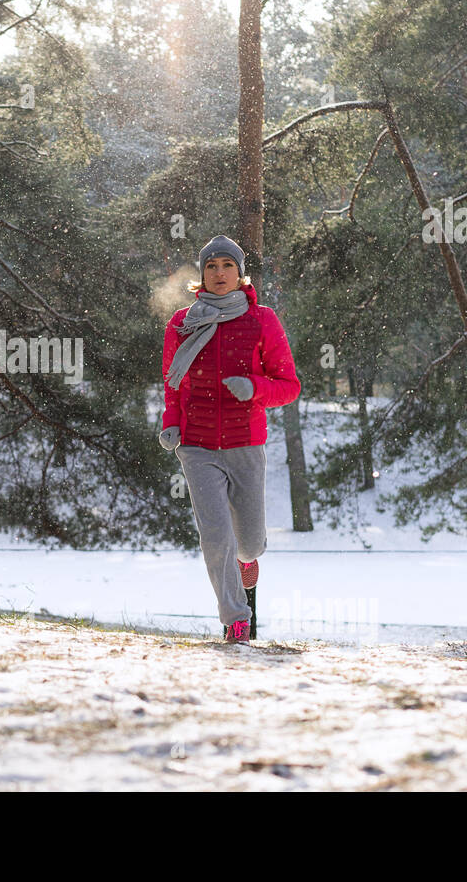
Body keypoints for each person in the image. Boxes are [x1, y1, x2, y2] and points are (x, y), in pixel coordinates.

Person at [159, 235, 301, 644]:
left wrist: (254, 387)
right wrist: (172, 421)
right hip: (196, 444)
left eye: (227, 266)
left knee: (250, 540)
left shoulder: (262, 320)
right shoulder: (182, 323)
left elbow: (289, 386)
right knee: (216, 535)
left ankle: (247, 560)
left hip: (245, 442)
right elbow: (172, 381)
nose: (219, 273)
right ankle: (236, 620)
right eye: (211, 266)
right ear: (201, 275)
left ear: (241, 274)